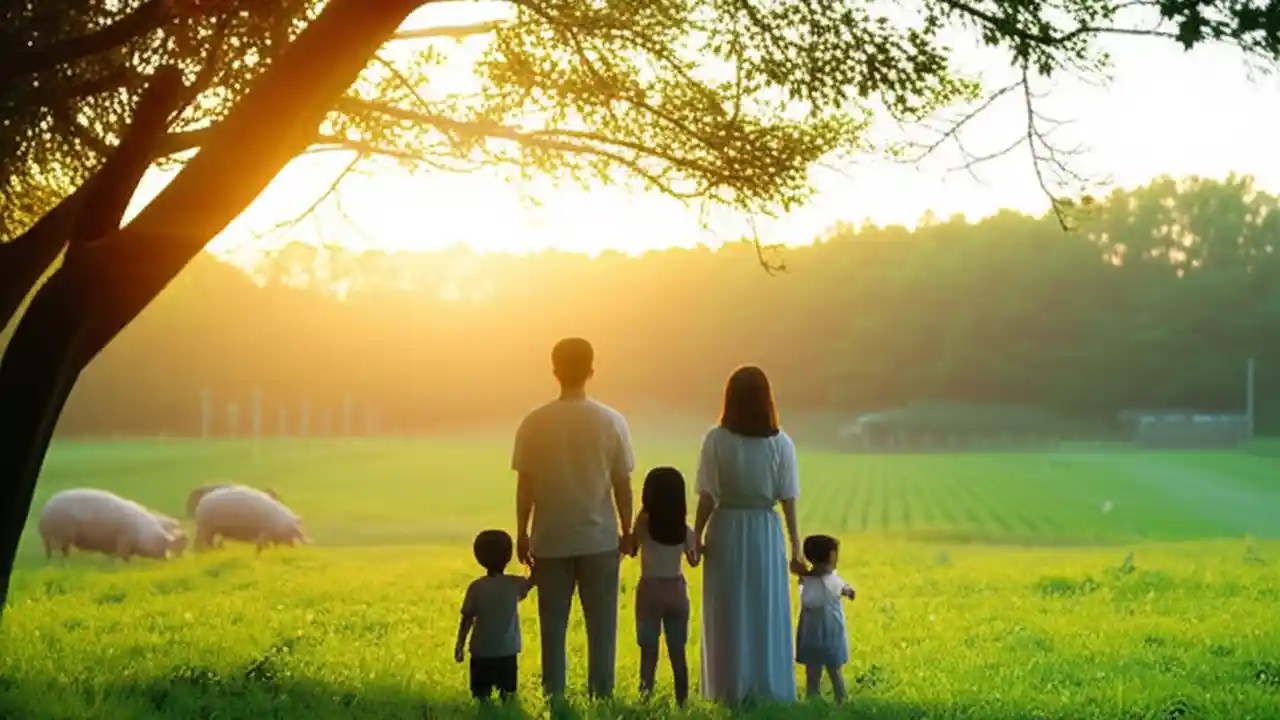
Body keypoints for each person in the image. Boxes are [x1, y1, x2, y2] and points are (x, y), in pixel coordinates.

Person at [512, 338, 635, 698]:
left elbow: (526, 485)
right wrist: (626, 529)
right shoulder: (611, 421)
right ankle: (602, 695)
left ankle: (554, 696)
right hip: (599, 539)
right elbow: (622, 484)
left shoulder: (534, 422)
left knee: (552, 626)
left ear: (555, 371)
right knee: (602, 627)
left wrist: (522, 531)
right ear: (591, 371)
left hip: (550, 537)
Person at [694, 365, 803, 705]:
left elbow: (708, 495)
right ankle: (768, 683)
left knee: (727, 609)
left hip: (726, 528)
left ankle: (727, 687)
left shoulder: (716, 440)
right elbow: (788, 497)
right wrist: (796, 546)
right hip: (764, 532)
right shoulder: (781, 443)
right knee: (764, 607)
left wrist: (695, 536)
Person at [633, 467, 699, 706]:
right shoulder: (683, 530)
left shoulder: (644, 524)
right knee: (678, 652)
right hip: (676, 591)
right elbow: (693, 561)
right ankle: (682, 703)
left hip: (649, 590)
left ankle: (645, 699)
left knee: (648, 652)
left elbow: (631, 549)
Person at [455, 529, 536, 701]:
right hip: (507, 651)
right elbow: (534, 579)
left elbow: (467, 619)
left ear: (478, 557)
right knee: (508, 696)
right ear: (508, 556)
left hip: (480, 652)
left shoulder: (476, 587)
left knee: (481, 697)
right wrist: (529, 559)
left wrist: (459, 645)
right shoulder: (513, 584)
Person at [795, 534, 856, 702]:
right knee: (826, 667)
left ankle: (822, 694)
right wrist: (848, 591)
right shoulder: (823, 580)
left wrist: (848, 589)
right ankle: (833, 695)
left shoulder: (812, 579)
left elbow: (841, 585)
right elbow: (841, 587)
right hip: (826, 628)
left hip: (817, 629)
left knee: (822, 667)